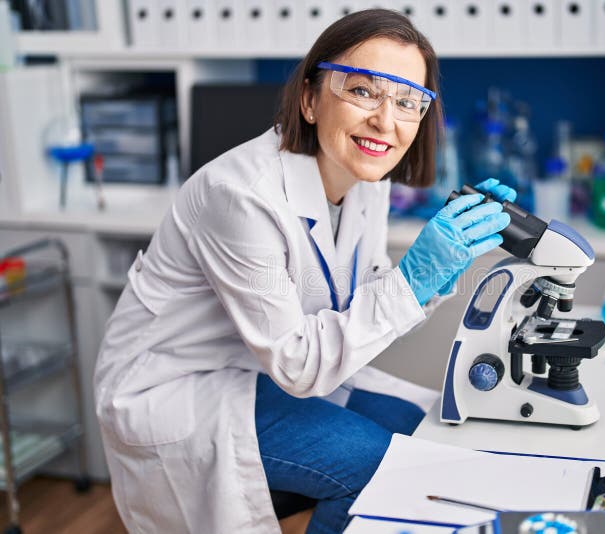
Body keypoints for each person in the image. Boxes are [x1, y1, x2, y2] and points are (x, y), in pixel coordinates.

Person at [94, 9, 517, 534]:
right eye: (363, 91)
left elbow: (361, 298)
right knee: (383, 468)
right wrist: (412, 280)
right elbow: (298, 364)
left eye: (408, 101)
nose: (386, 121)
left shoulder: (368, 180)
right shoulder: (241, 196)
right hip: (181, 390)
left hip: (258, 371)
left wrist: (434, 274)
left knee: (425, 438)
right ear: (310, 99)